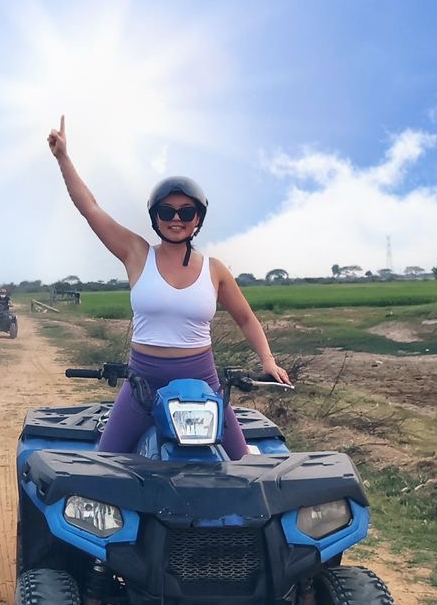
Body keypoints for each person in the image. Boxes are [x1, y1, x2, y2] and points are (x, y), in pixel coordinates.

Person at [46, 116, 290, 459]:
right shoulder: (136, 254)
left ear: (198, 219)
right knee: (107, 464)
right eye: (167, 211)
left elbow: (246, 319)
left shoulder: (215, 270)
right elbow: (91, 208)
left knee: (243, 466)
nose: (176, 219)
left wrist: (268, 360)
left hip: (203, 383)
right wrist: (63, 159)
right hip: (143, 384)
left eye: (186, 212)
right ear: (155, 217)